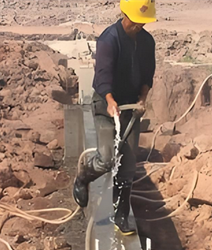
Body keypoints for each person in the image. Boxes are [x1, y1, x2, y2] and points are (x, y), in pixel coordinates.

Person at [73, 0, 156, 235]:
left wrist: (142, 99)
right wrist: (110, 103)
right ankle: (82, 178)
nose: (140, 25)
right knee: (107, 159)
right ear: (125, 14)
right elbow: (102, 77)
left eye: (144, 21)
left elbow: (147, 75)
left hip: (130, 107)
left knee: (128, 164)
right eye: (137, 20)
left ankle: (121, 214)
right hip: (105, 104)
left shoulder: (147, 42)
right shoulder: (109, 40)